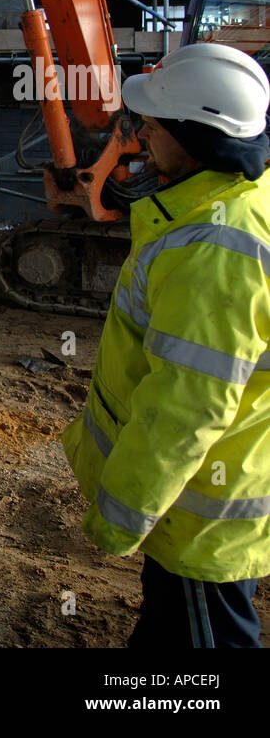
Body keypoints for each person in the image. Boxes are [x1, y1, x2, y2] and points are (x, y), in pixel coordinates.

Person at [62, 42, 270, 648]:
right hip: (198, 495)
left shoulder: (214, 248)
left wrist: (120, 515)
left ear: (198, 135)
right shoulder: (231, 204)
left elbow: (187, 406)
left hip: (200, 511)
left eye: (154, 124)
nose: (141, 134)